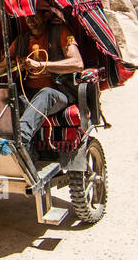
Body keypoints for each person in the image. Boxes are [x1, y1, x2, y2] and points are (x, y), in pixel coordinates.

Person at [10, 10, 84, 153]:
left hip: (58, 94)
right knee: (8, 96)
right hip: (28, 96)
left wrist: (42, 65)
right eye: (26, 17)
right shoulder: (21, 41)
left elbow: (78, 64)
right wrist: (15, 61)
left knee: (46, 93)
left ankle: (21, 139)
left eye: (33, 16)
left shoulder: (61, 33)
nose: (30, 20)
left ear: (46, 15)